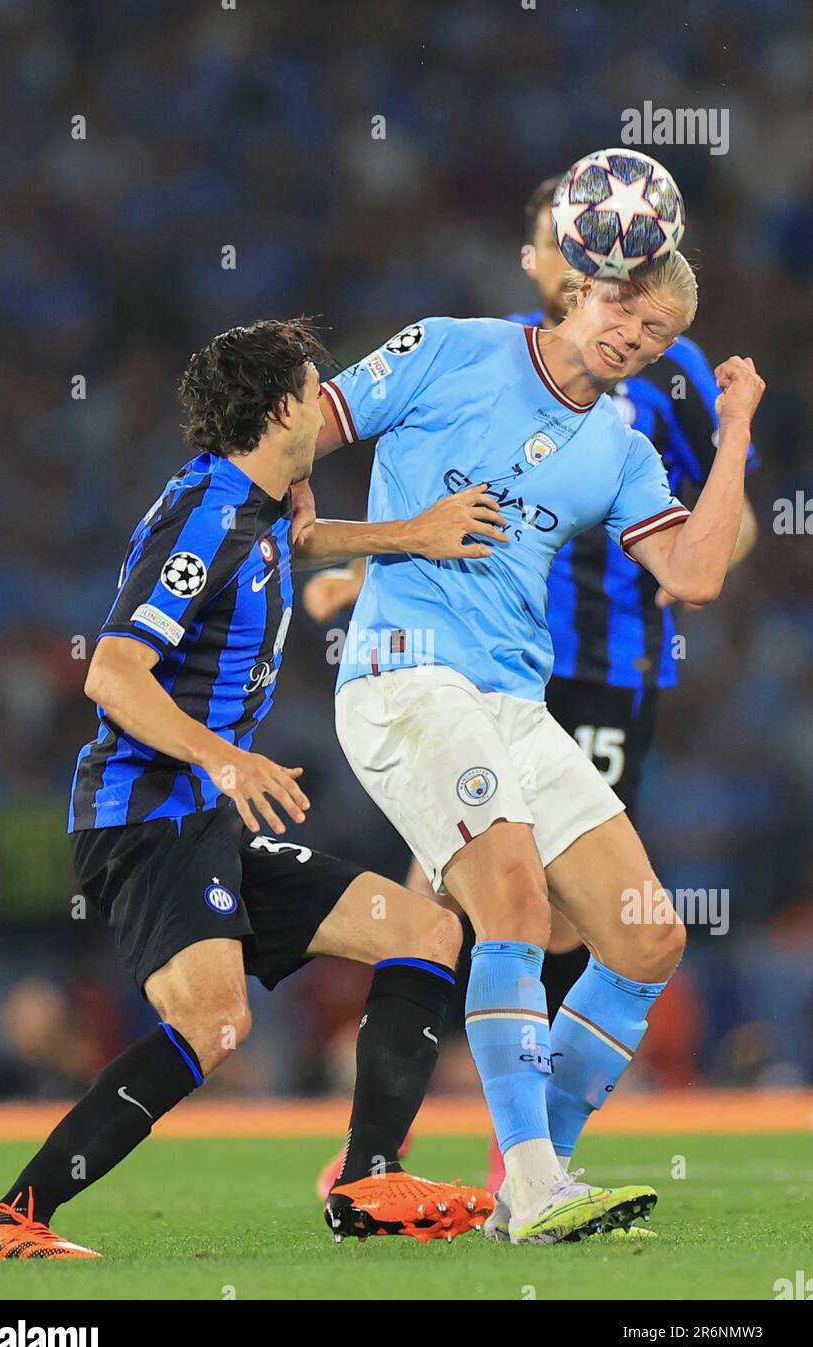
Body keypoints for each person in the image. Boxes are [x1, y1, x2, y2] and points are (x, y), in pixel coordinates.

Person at [0, 317, 510, 1260]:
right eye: (316, 385)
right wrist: (224, 756)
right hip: (149, 813)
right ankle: (12, 1220)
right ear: (283, 407)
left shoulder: (249, 507)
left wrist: (410, 536)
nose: (330, 399)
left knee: (428, 930)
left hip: (207, 816)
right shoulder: (207, 512)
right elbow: (115, 674)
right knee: (216, 1022)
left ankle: (368, 1181)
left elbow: (290, 541)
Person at [305, 176, 758, 1207]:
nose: (633, 340)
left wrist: (731, 433)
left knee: (646, 932)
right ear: (582, 285)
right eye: (625, 313)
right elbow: (306, 434)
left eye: (654, 335)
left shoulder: (618, 446)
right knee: (506, 897)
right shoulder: (452, 348)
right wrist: (365, 536)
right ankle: (532, 1183)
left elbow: (691, 573)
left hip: (512, 701)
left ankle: (525, 1176)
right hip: (404, 675)